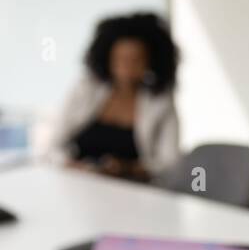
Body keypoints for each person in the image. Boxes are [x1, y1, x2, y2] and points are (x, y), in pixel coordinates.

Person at [47, 12, 181, 182]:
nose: (127, 67)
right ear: (108, 58)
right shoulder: (86, 90)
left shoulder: (160, 103)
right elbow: (53, 145)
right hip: (77, 183)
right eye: (121, 59)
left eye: (136, 60)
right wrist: (71, 165)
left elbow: (169, 162)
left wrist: (128, 168)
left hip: (132, 189)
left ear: (151, 61)